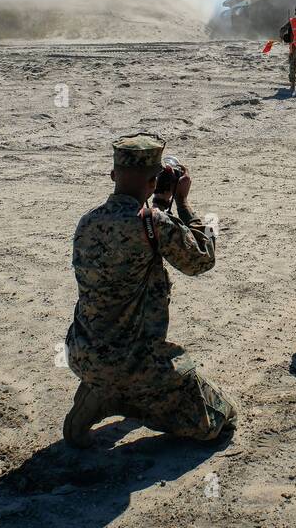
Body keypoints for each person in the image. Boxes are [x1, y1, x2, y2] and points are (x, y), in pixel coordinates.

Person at [63, 134, 237, 447]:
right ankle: (122, 397)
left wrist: (159, 206)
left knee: (119, 372)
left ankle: (102, 391)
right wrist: (185, 206)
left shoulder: (87, 221)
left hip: (82, 351)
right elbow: (202, 260)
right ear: (154, 181)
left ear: (113, 175)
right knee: (221, 420)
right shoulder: (152, 224)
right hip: (135, 361)